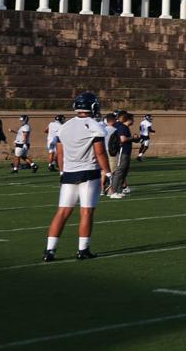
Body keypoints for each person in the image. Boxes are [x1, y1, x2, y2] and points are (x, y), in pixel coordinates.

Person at [44, 92, 111, 261]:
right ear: (93, 106)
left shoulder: (64, 126)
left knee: (62, 212)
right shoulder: (95, 126)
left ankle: (50, 250)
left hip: (68, 173)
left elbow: (60, 152)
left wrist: (62, 171)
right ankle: (83, 250)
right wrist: (108, 172)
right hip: (89, 172)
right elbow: (100, 152)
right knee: (86, 212)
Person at [106, 111, 135, 199]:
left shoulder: (124, 127)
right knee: (119, 171)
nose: (133, 121)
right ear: (128, 119)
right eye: (132, 119)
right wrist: (133, 138)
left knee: (124, 172)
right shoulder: (122, 127)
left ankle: (118, 190)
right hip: (123, 152)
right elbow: (123, 139)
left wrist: (134, 139)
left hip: (126, 152)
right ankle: (113, 192)